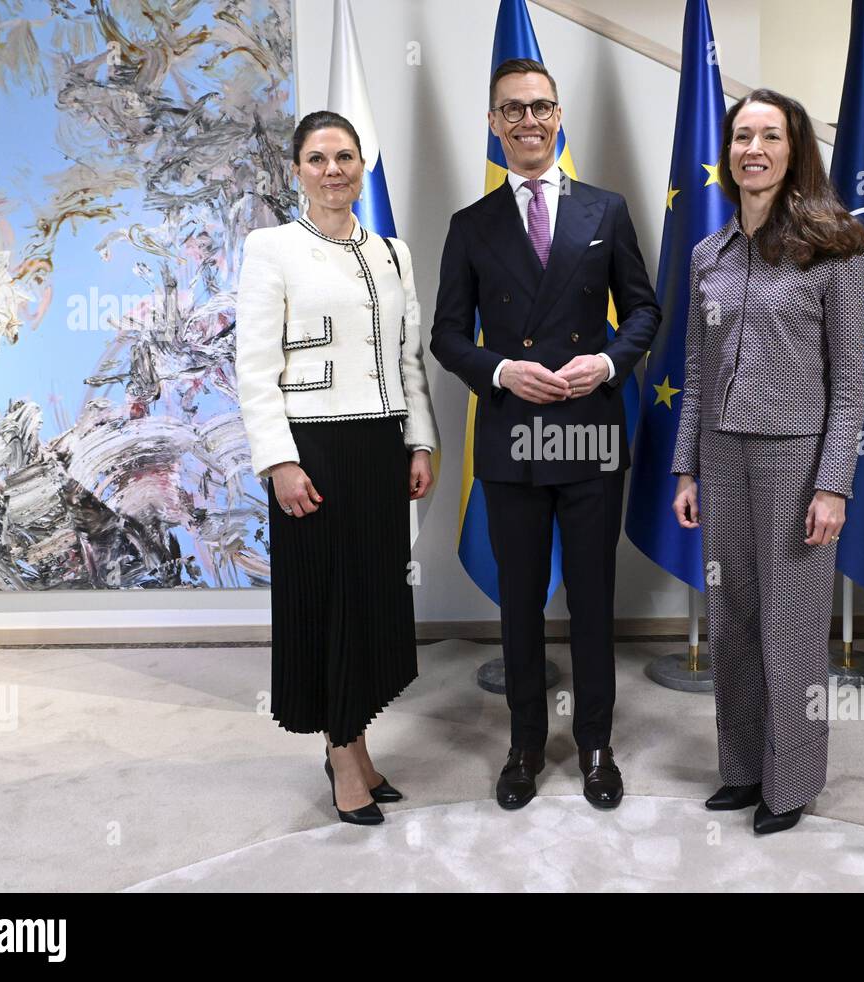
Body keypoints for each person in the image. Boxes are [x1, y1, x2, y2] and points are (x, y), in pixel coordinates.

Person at [431, 59, 660, 811]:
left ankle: (595, 744)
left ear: (558, 117)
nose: (528, 121)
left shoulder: (607, 210)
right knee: (520, 601)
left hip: (589, 431)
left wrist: (608, 359)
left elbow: (644, 311)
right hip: (511, 436)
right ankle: (525, 742)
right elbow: (446, 335)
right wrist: (500, 372)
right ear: (494, 124)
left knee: (593, 599)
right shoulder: (471, 225)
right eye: (511, 110)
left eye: (540, 108)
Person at [671, 89, 864, 834]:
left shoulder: (836, 247)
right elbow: (695, 366)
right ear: (729, 152)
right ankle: (742, 769)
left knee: (788, 628)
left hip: (795, 462)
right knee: (733, 621)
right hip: (720, 460)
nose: (753, 148)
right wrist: (686, 467)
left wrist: (833, 485)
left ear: (793, 151)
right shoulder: (707, 257)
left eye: (770, 136)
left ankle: (790, 784)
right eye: (742, 135)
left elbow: (849, 381)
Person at [236, 110, 440, 826]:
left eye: (345, 156)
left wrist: (419, 440)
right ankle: (343, 754)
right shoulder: (271, 249)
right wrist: (279, 463)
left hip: (379, 450)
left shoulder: (392, 252)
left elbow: (407, 357)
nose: (333, 170)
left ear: (361, 166)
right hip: (312, 453)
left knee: (373, 604)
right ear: (297, 171)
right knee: (327, 605)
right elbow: (254, 369)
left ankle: (354, 739)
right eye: (318, 158)